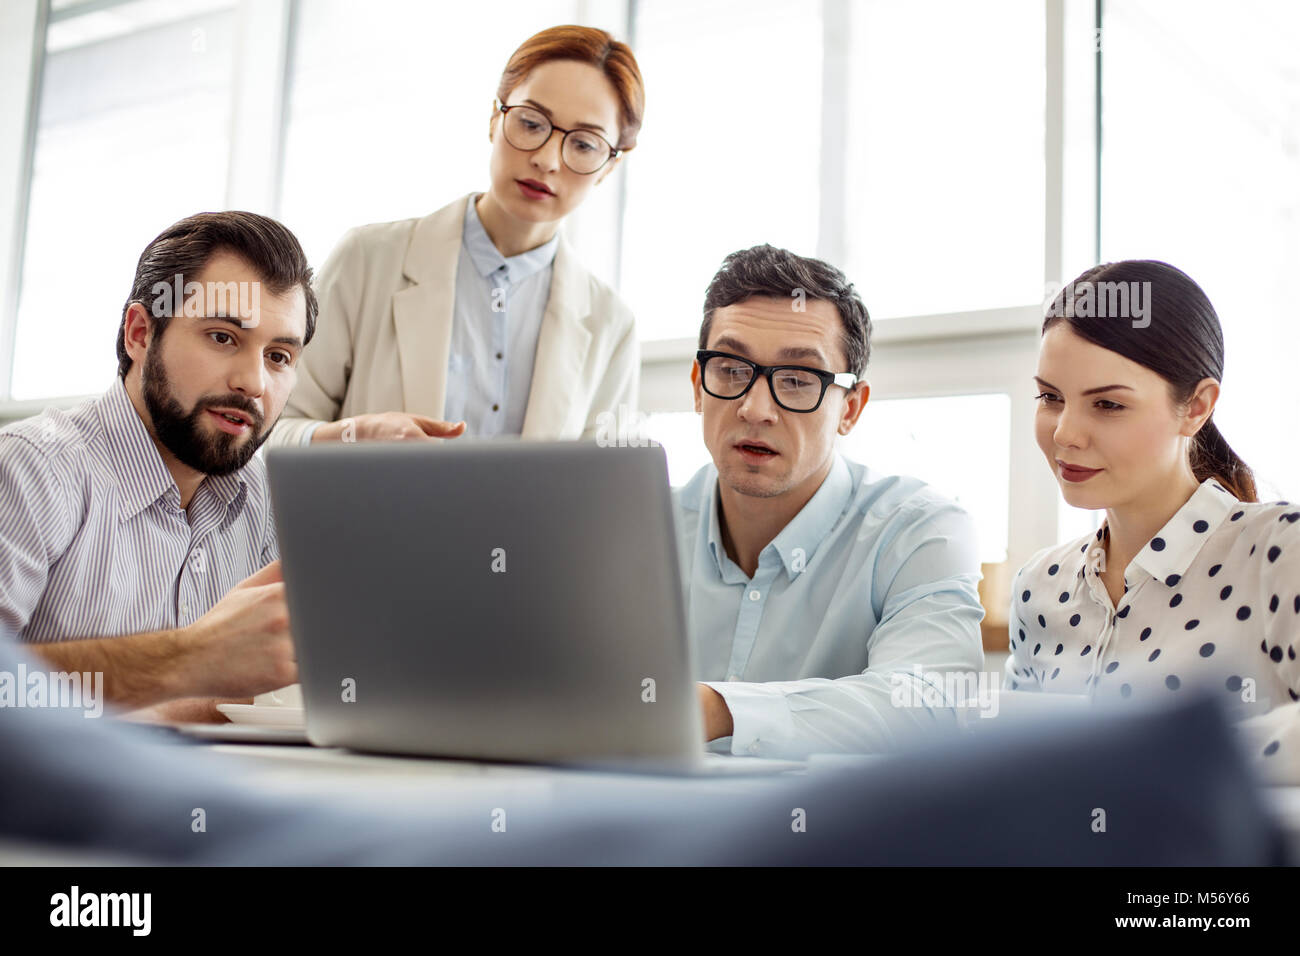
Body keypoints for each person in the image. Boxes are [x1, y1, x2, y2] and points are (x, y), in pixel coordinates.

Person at [0, 211, 317, 722]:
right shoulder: (31, 470)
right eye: (222, 337)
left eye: (278, 356)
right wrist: (189, 657)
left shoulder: (265, 497)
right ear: (141, 334)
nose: (254, 382)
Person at [675, 245, 985, 760]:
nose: (755, 409)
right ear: (697, 385)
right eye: (731, 370)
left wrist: (714, 709)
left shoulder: (917, 530)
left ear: (851, 409)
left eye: (797, 381)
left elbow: (931, 705)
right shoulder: (635, 527)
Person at [268, 25, 644, 448]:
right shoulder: (366, 259)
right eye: (531, 122)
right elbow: (271, 430)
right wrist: (353, 436)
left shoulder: (612, 324)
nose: (546, 159)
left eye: (584, 145)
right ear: (493, 119)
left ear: (609, 166)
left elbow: (599, 488)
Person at [1006, 259, 1299, 783]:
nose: (1065, 434)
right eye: (1050, 397)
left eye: (1108, 405)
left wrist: (1147, 756)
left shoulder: (1279, 550)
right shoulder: (1039, 587)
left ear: (1197, 407)